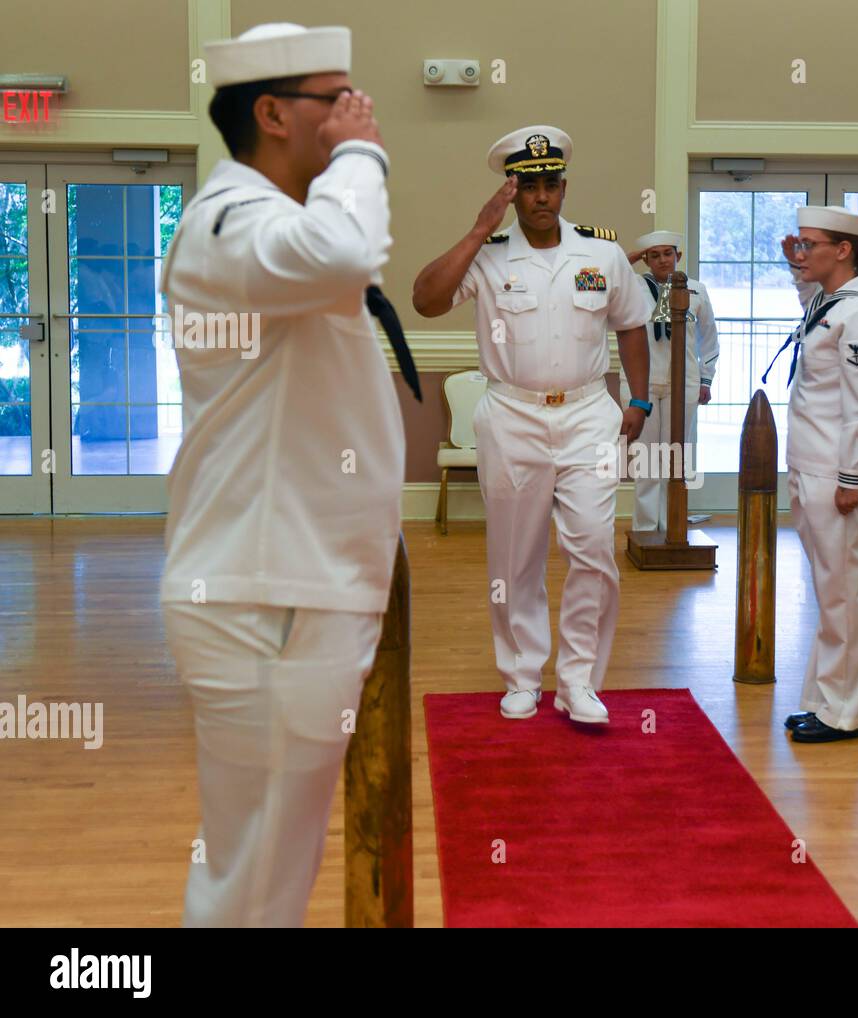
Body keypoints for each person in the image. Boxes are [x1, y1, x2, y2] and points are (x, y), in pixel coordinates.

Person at [159, 22, 412, 925]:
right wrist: (364, 159)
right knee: (255, 881)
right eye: (334, 101)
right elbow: (343, 255)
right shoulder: (230, 223)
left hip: (290, 588)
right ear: (272, 113)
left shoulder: (267, 225)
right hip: (264, 591)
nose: (356, 114)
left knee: (270, 867)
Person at [412, 126, 652, 724]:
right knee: (515, 556)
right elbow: (425, 300)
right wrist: (474, 230)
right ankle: (521, 675)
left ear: (564, 188)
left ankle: (578, 682)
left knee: (594, 547)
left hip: (588, 413)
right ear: (512, 193)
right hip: (513, 415)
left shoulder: (600, 253)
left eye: (551, 185)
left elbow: (630, 324)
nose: (542, 197)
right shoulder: (489, 255)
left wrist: (640, 401)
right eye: (530, 187)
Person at [770, 206, 858, 744]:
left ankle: (847, 713)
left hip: (837, 471)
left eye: (811, 245)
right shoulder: (831, 300)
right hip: (812, 463)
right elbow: (809, 304)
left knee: (842, 592)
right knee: (828, 589)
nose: (802, 252)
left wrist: (849, 479)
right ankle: (824, 699)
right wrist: (795, 267)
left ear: (842, 251)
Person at [619, 230, 719, 531]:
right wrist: (634, 255)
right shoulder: (634, 286)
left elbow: (709, 339)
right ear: (646, 259)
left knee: (674, 456)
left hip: (683, 382)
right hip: (642, 384)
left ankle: (671, 526)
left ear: (678, 255)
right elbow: (611, 274)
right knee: (646, 458)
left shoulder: (697, 290)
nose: (662, 259)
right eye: (654, 254)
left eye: (667, 253)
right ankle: (646, 529)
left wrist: (706, 379)